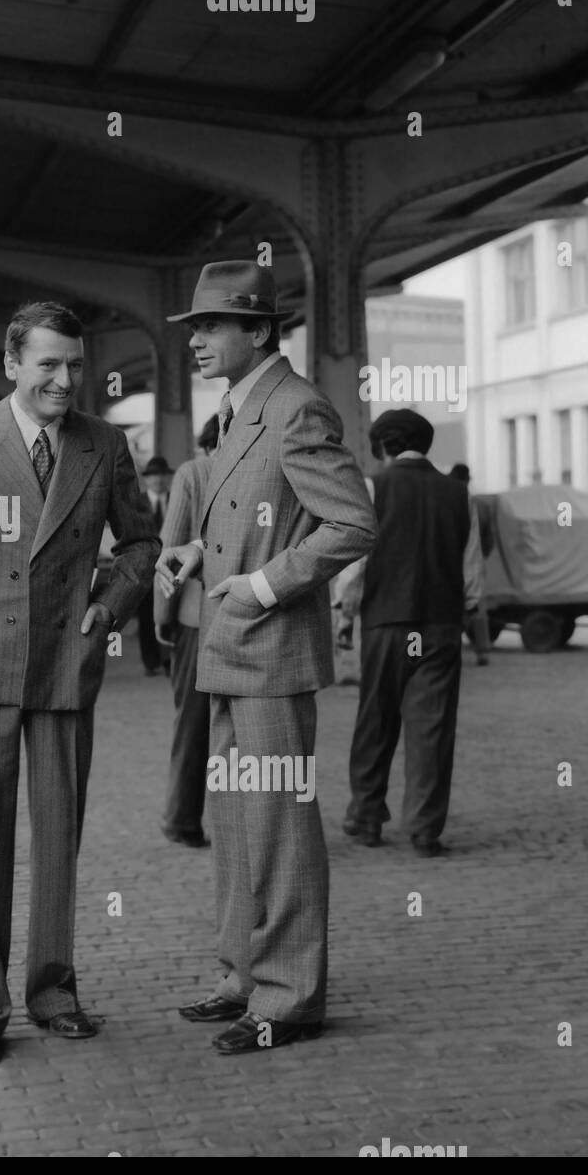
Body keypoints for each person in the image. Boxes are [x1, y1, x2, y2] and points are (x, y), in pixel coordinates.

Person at [0, 300, 159, 1068]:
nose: (64, 379)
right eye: (48, 363)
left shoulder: (104, 443)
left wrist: (109, 606)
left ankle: (53, 991)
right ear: (12, 362)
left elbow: (143, 543)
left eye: (75, 365)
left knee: (58, 840)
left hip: (63, 665)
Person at [156, 261, 376, 1056]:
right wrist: (195, 551)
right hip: (232, 654)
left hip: (271, 654)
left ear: (258, 329)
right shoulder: (242, 408)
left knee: (279, 828)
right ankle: (241, 974)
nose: (198, 340)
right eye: (194, 328)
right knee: (235, 825)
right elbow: (254, 517)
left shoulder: (296, 406)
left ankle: (289, 999)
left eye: (212, 325)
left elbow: (352, 522)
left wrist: (261, 584)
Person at [340, 413, 483, 856]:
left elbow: (355, 560)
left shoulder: (371, 488)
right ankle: (424, 829)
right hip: (440, 624)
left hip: (385, 622)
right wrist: (466, 608)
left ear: (383, 446)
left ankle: (366, 817)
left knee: (376, 720)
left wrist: (345, 613)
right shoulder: (459, 493)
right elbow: (471, 567)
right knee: (432, 728)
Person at [154, 416, 220, 846]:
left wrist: (162, 617)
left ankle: (183, 819)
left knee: (192, 723)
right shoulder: (266, 464)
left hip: (197, 618)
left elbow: (170, 551)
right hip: (253, 614)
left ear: (204, 443)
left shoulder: (193, 473)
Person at [449, 463, 492, 666]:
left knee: (450, 611)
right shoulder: (481, 506)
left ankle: (451, 650)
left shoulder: (443, 500)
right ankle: (482, 652)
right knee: (477, 610)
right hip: (474, 563)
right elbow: (489, 540)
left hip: (448, 564)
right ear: (468, 480)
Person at [137, 456, 173, 675]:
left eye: (162, 475)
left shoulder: (176, 498)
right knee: (146, 616)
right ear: (147, 479)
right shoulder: (137, 502)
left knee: (169, 614)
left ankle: (169, 660)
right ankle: (150, 662)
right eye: (153, 476)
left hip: (171, 569)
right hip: (144, 570)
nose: (158, 480)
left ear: (167, 478)